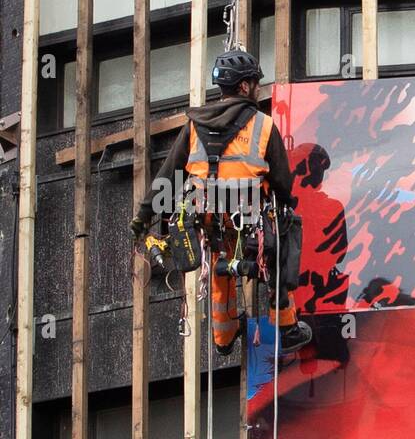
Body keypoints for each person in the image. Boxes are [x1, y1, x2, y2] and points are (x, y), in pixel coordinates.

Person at [130, 47, 313, 355]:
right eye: (255, 82)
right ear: (244, 86)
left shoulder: (195, 125)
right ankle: (286, 326)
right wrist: (285, 206)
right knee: (281, 243)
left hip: (209, 219)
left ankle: (224, 338)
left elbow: (168, 175)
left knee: (219, 265)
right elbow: (283, 182)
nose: (257, 88)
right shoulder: (263, 125)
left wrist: (142, 216)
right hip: (251, 217)